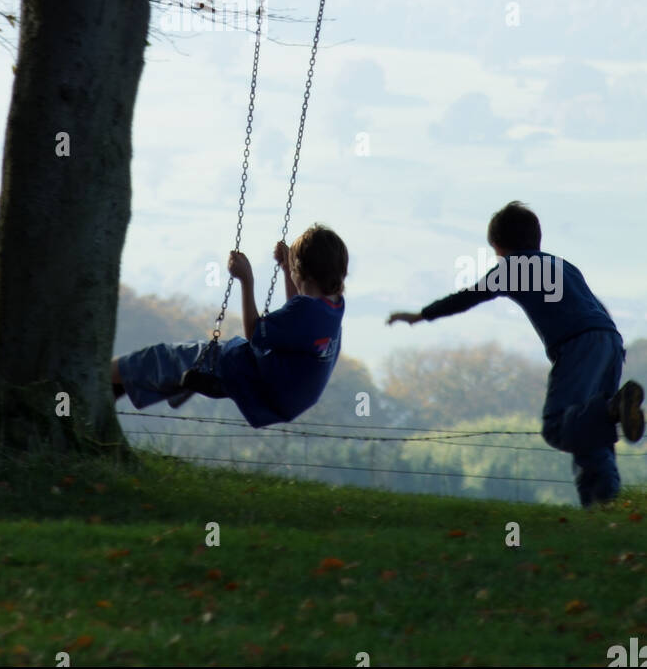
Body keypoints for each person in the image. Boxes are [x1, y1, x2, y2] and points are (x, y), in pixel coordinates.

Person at [387, 200, 644, 507]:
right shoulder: (562, 264)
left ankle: (612, 410)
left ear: (499, 247)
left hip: (578, 344)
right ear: (537, 239)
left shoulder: (513, 268)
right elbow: (595, 306)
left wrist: (422, 315)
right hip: (610, 342)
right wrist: (611, 349)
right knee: (587, 429)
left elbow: (469, 296)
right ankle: (605, 503)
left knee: (557, 425)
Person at [112, 224, 347, 428]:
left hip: (252, 379)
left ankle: (107, 376)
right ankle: (167, 382)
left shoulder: (305, 312)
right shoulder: (332, 307)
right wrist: (288, 269)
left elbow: (255, 333)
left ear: (304, 274)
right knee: (189, 357)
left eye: (295, 269)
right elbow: (299, 310)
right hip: (286, 397)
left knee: (166, 357)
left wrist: (246, 280)